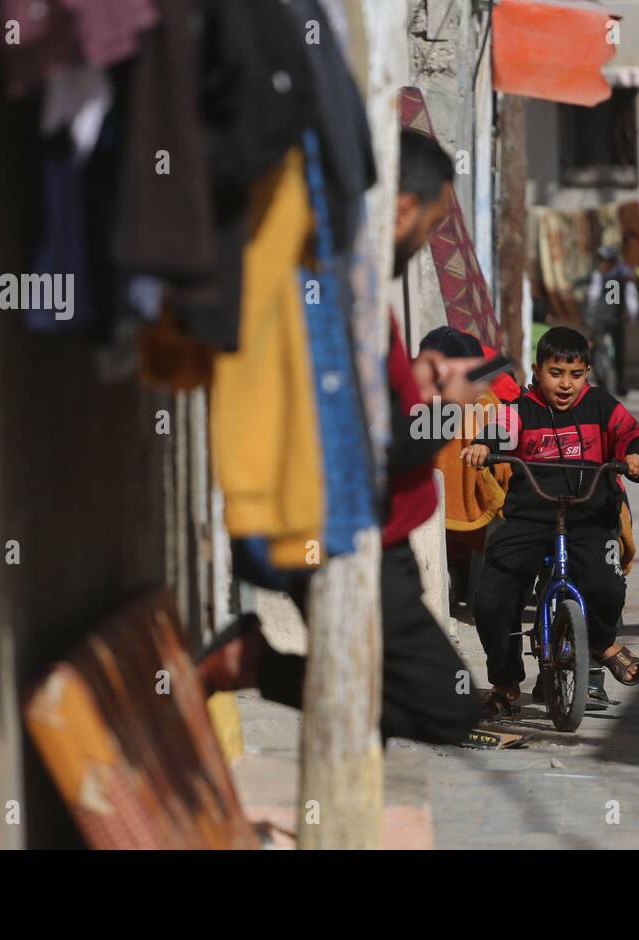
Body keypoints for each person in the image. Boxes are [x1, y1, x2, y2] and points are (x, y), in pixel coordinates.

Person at [200, 129, 487, 745]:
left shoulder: (338, 280)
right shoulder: (333, 294)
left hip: (370, 536)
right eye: (432, 224)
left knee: (369, 702)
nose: (427, 241)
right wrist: (447, 413)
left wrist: (419, 385)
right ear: (405, 209)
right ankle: (253, 663)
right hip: (352, 540)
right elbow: (365, 459)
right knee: (448, 707)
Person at [461, 326, 639, 717]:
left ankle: (601, 643)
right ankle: (505, 682)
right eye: (556, 373)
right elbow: (501, 430)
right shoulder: (521, 408)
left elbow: (633, 433)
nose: (566, 384)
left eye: (576, 374)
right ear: (537, 371)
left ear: (587, 373)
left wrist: (638, 455)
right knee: (493, 597)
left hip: (589, 515)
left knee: (605, 585)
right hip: (530, 516)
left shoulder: (602, 406)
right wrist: (485, 445)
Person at [584, 245, 639, 396]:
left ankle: (620, 382)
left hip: (612, 321)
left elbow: (627, 298)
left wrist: (629, 314)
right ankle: (602, 383)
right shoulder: (598, 276)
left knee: (619, 351)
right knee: (593, 351)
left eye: (605, 261)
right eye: (600, 261)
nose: (602, 264)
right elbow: (593, 298)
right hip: (599, 321)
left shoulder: (618, 277)